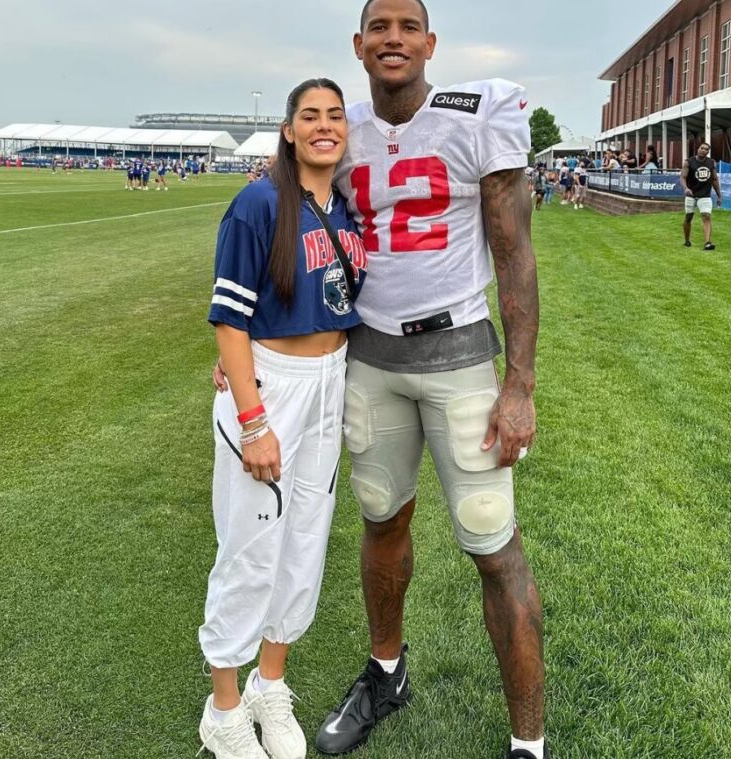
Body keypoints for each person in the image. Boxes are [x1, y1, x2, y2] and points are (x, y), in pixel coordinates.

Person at [315, 2, 546, 757]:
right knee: (381, 516)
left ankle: (528, 742)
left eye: (407, 27)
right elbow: (281, 215)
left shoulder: (474, 114)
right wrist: (239, 340)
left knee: (492, 541)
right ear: (359, 43)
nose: (392, 39)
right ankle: (387, 674)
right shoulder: (337, 127)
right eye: (379, 27)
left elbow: (514, 254)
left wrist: (520, 383)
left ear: (429, 43)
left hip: (457, 356)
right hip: (373, 359)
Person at [199, 78, 367, 759]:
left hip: (330, 383)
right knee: (250, 549)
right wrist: (253, 419)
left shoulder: (349, 209)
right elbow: (229, 321)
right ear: (290, 130)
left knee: (303, 545)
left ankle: (272, 684)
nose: (324, 125)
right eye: (310, 115)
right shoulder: (259, 202)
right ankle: (225, 707)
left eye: (335, 115)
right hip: (272, 388)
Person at [680, 141, 722, 250]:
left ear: (708, 152)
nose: (703, 150)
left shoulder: (711, 163)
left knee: (706, 216)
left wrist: (719, 195)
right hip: (691, 194)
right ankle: (687, 240)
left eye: (706, 149)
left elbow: (714, 179)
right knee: (689, 217)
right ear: (698, 149)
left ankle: (708, 242)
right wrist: (686, 188)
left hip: (705, 195)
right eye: (701, 148)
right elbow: (683, 177)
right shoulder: (688, 162)